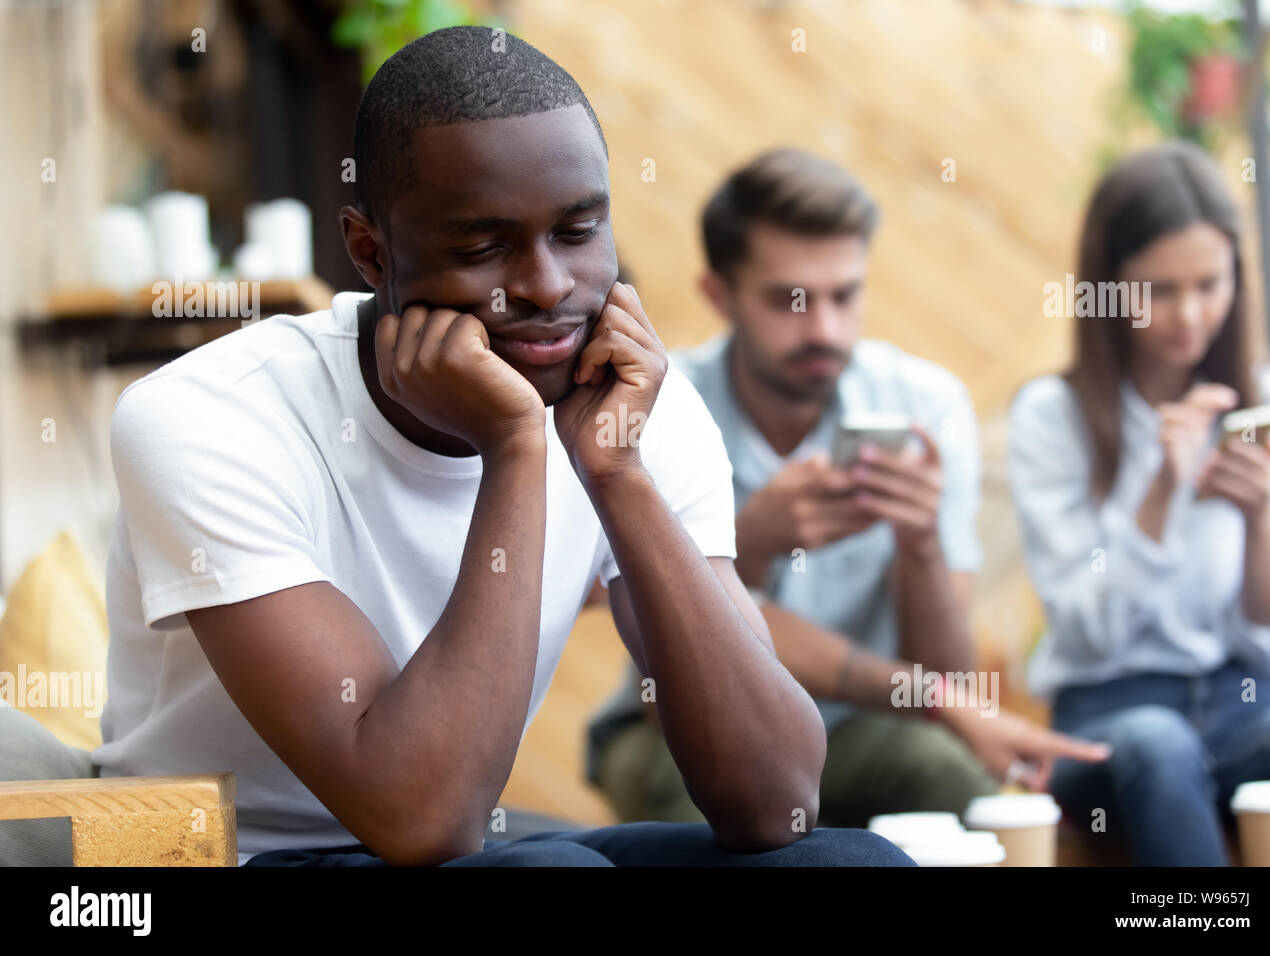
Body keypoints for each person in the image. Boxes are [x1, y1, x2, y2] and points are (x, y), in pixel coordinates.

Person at [0, 27, 915, 868]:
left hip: (466, 841)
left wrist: (617, 473)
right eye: (484, 245)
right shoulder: (206, 417)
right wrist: (517, 447)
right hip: (212, 855)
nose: (548, 285)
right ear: (369, 251)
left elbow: (775, 804)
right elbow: (419, 819)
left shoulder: (636, 406)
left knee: (850, 863)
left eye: (578, 230)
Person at [587, 148, 1109, 828]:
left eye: (845, 295)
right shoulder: (661, 407)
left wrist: (920, 546)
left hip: (867, 727)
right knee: (709, 795)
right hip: (679, 727)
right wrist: (750, 540)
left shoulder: (924, 403)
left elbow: (949, 672)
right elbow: (674, 668)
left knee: (951, 777)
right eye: (789, 301)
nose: (824, 330)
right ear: (718, 295)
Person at [1008, 141, 1270, 866]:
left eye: (1210, 283)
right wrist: (1160, 493)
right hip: (1111, 717)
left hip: (1246, 700)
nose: (1190, 314)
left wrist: (1258, 517)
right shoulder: (1055, 417)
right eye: (1159, 290)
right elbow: (1086, 629)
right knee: (1159, 746)